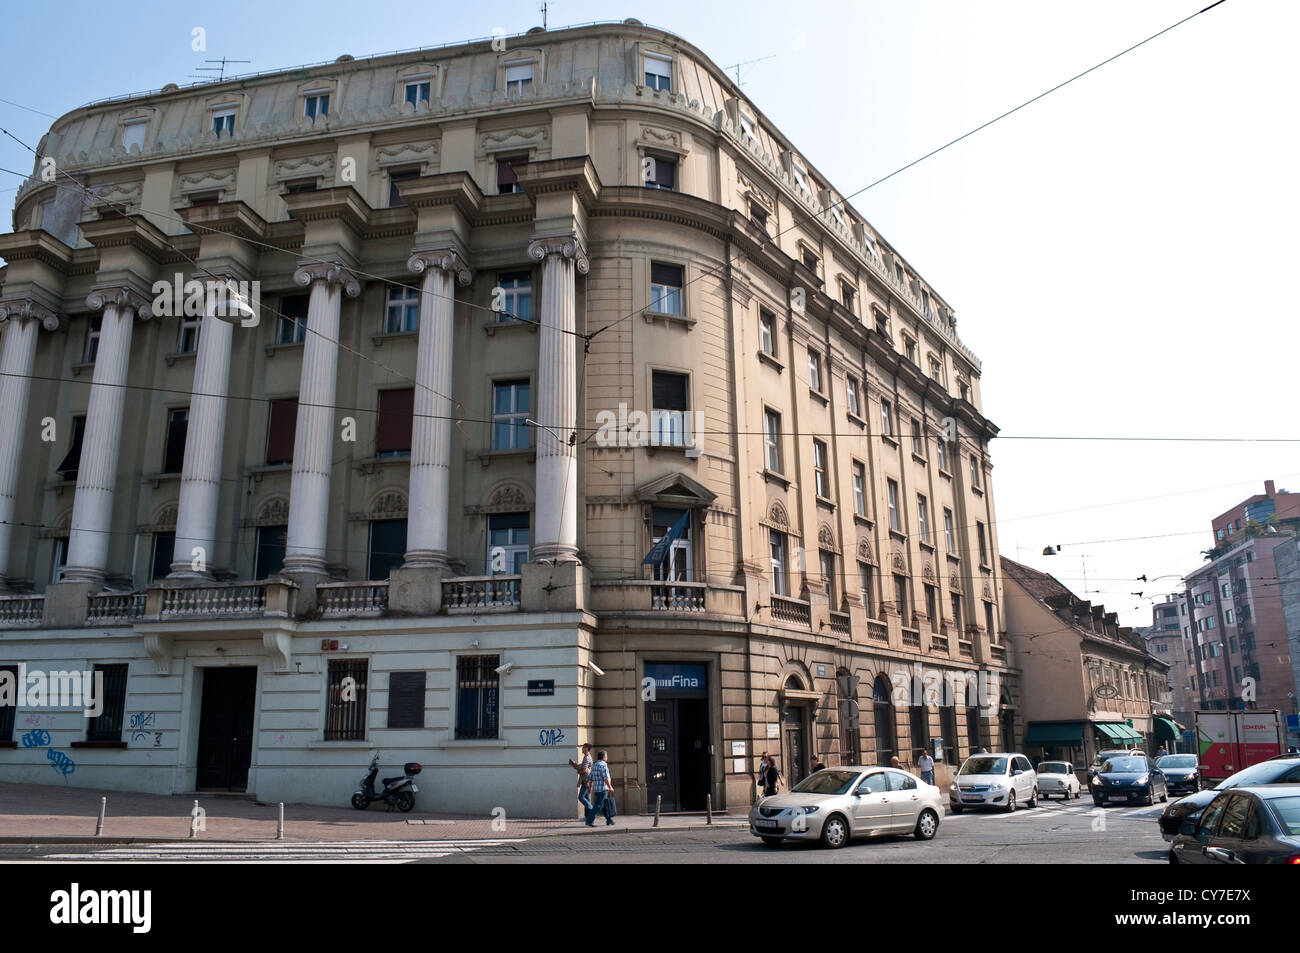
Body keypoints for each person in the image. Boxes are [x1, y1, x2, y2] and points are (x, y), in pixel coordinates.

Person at [584, 750, 614, 826]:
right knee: (598, 806)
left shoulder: (595, 765)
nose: (607, 758)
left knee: (603, 805)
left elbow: (590, 778)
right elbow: (605, 778)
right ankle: (589, 820)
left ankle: (609, 820)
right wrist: (610, 787)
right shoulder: (603, 765)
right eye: (606, 756)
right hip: (603, 789)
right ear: (604, 757)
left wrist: (590, 787)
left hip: (597, 789)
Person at [569, 742, 593, 815]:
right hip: (587, 780)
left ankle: (592, 809)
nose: (582, 749)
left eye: (583, 747)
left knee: (581, 797)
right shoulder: (588, 757)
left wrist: (579, 771)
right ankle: (588, 816)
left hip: (586, 781)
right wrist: (575, 765)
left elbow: (584, 769)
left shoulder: (587, 758)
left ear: (586, 749)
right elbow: (583, 767)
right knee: (587, 798)